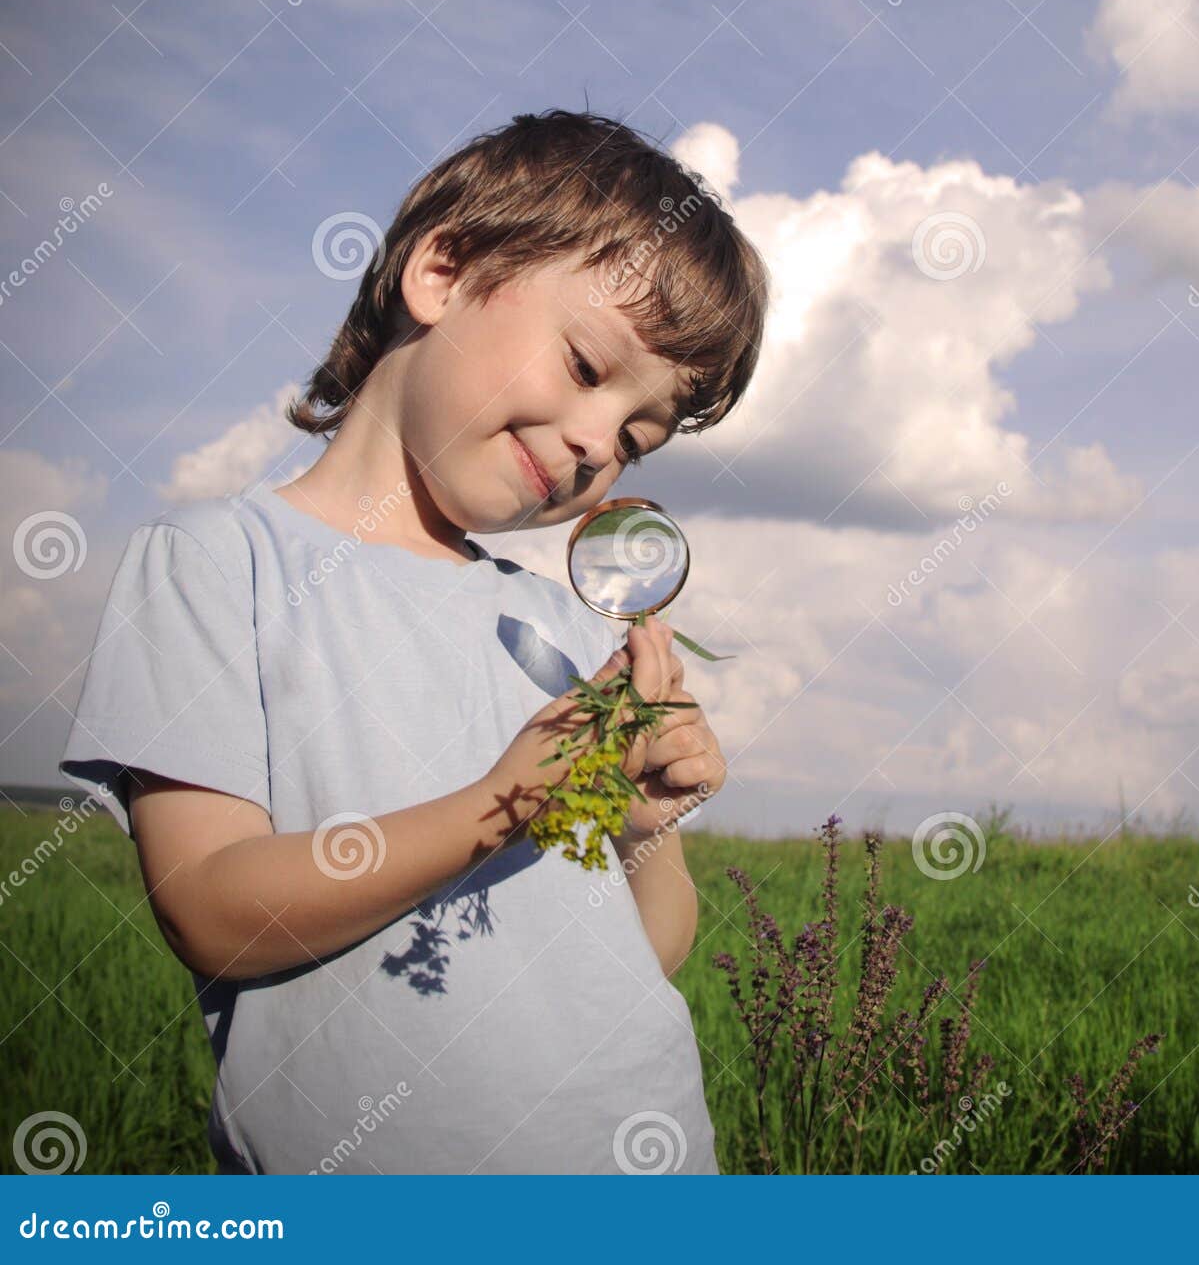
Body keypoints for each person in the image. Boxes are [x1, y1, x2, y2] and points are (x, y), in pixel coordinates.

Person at [58, 109, 770, 1174]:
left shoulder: (565, 630)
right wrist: (502, 803)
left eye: (635, 437)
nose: (592, 443)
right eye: (585, 365)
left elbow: (638, 958)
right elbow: (212, 911)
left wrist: (642, 828)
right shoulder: (219, 564)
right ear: (441, 271)